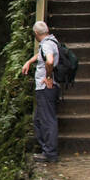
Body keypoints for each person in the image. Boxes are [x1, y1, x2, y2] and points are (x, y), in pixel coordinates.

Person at [21, 20, 60, 162]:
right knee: (38, 120)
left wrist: (48, 77)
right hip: (44, 89)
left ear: (36, 34)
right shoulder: (49, 42)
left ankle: (50, 154)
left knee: (47, 120)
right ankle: (46, 149)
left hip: (46, 88)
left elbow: (49, 60)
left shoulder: (47, 44)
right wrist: (29, 62)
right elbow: (42, 55)